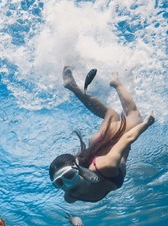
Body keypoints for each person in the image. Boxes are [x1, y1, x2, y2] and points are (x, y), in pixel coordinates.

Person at [50, 66, 155, 203]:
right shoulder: (70, 197)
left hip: (103, 147)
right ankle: (72, 85)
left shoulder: (106, 165)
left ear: (78, 170)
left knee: (132, 116)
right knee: (111, 114)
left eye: (69, 176)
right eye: (59, 183)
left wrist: (146, 124)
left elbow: (127, 138)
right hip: (97, 151)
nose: (67, 185)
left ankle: (116, 83)